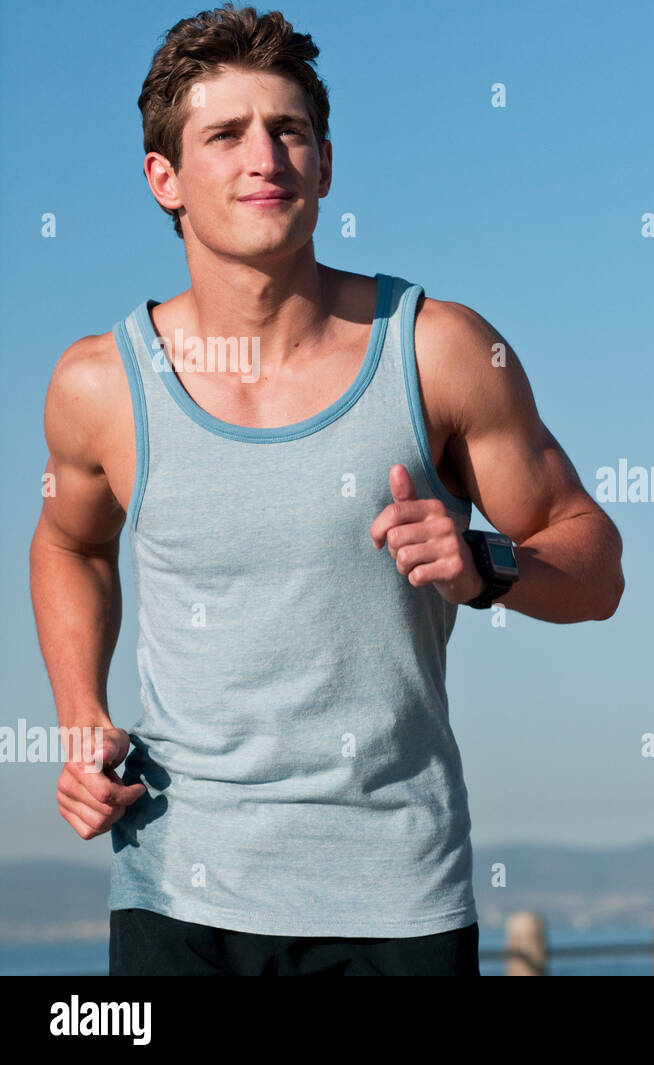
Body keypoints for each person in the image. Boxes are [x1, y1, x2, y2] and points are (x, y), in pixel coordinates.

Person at [29, 3, 623, 976]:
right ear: (164, 179)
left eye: (289, 130)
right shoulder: (98, 387)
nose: (264, 156)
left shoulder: (439, 350)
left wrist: (486, 562)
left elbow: (594, 566)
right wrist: (79, 716)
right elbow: (70, 543)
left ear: (325, 165)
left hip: (396, 900)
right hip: (178, 892)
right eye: (225, 134)